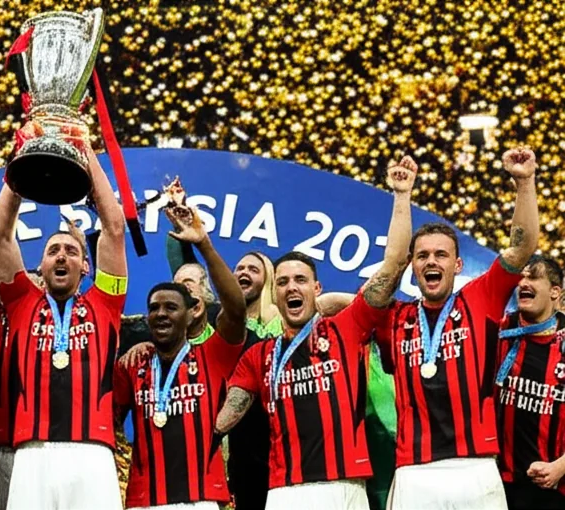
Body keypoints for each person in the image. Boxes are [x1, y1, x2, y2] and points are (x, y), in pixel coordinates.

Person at [214, 157, 416, 509]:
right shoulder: (257, 357)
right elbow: (221, 421)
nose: (292, 287)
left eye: (300, 280)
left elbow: (395, 264)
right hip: (284, 492)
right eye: (283, 282)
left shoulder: (347, 327)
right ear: (275, 293)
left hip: (345, 487)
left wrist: (401, 195)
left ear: (316, 288)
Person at [377, 148, 539, 510]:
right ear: (413, 267)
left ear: (458, 265)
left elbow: (522, 247)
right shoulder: (394, 317)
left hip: (475, 467)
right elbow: (391, 263)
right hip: (414, 471)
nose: (431, 261)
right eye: (422, 256)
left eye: (441, 255)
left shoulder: (481, 299)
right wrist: (402, 196)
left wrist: (524, 182)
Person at [0, 123, 128, 510]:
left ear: (86, 266)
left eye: (71, 251)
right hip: (31, 453)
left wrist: (85, 148)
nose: (62, 256)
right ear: (41, 265)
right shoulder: (21, 301)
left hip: (93, 452)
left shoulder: (106, 302)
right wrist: (20, 158)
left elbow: (114, 228)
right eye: (53, 251)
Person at [114, 200, 247, 509]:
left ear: (192, 312)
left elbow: (236, 310)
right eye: (154, 308)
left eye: (171, 307)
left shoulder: (212, 356)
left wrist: (204, 245)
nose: (161, 314)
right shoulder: (133, 365)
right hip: (145, 500)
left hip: (202, 498)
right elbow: (109, 419)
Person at [494, 255, 565, 510]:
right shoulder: (501, 331)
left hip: (554, 486)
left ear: (555, 291)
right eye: (521, 277)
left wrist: (561, 466)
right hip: (499, 481)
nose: (523, 282)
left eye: (533, 277)